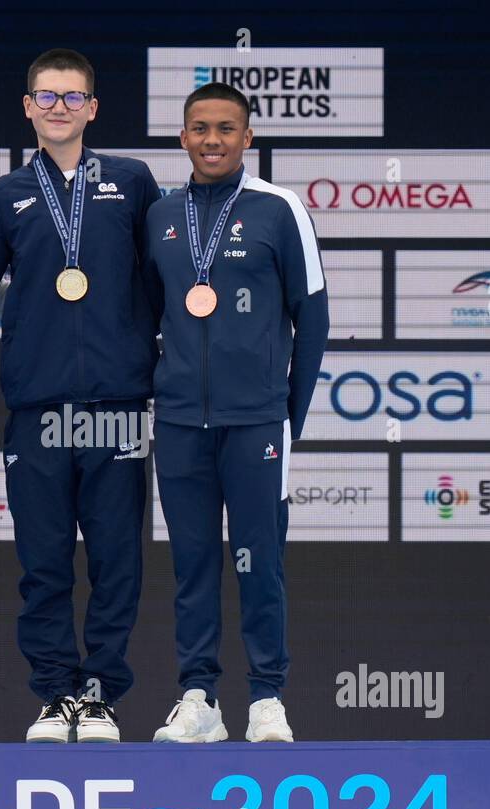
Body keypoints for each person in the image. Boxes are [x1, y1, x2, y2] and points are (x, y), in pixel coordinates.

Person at [0, 49, 160, 743]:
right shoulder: (3, 196)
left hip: (118, 411)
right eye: (46, 97)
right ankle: (54, 695)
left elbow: (163, 286)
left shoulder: (132, 184)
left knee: (116, 561)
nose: (59, 109)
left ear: (93, 108)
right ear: (26, 106)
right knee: (42, 564)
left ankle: (99, 694)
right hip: (38, 411)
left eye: (72, 98)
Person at [141, 82, 330, 743]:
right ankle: (199, 698)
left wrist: (287, 418)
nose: (213, 139)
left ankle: (268, 700)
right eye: (200, 128)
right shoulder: (161, 216)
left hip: (257, 424)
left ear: (249, 138)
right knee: (192, 562)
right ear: (183, 137)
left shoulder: (282, 210)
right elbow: (146, 316)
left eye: (226, 128)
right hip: (180, 423)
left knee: (260, 560)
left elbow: (314, 318)